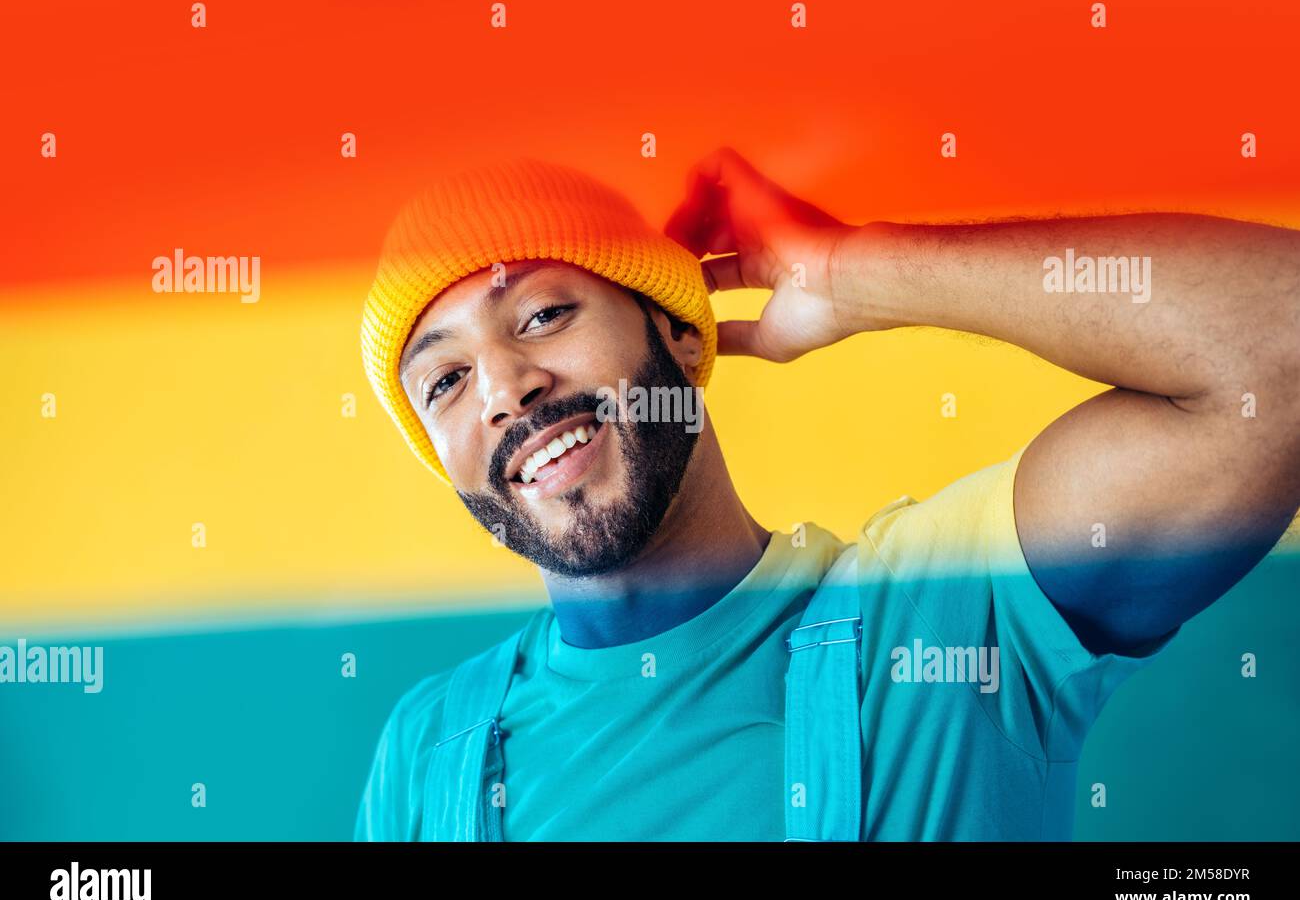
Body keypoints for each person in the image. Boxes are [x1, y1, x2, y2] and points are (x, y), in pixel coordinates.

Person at [353, 149, 1300, 840]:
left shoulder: (946, 618)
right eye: (443, 382)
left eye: (545, 314)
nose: (504, 388)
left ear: (680, 337)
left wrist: (859, 272)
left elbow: (1281, 355)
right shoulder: (427, 755)